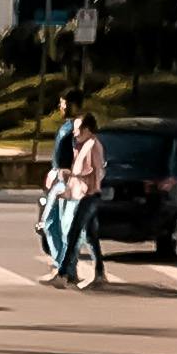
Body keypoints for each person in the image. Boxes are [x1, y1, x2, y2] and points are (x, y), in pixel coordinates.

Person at [55, 105, 109, 288]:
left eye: (78, 129)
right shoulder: (83, 145)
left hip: (88, 195)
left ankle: (63, 273)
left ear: (87, 129)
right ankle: (100, 273)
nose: (75, 133)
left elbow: (96, 170)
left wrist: (73, 175)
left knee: (73, 232)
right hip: (82, 194)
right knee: (91, 236)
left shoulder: (93, 145)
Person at [39, 98, 81, 280]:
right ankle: (61, 265)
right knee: (49, 222)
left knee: (63, 226)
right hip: (58, 178)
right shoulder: (66, 127)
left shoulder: (75, 129)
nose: (61, 107)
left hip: (67, 179)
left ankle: (65, 268)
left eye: (64, 103)